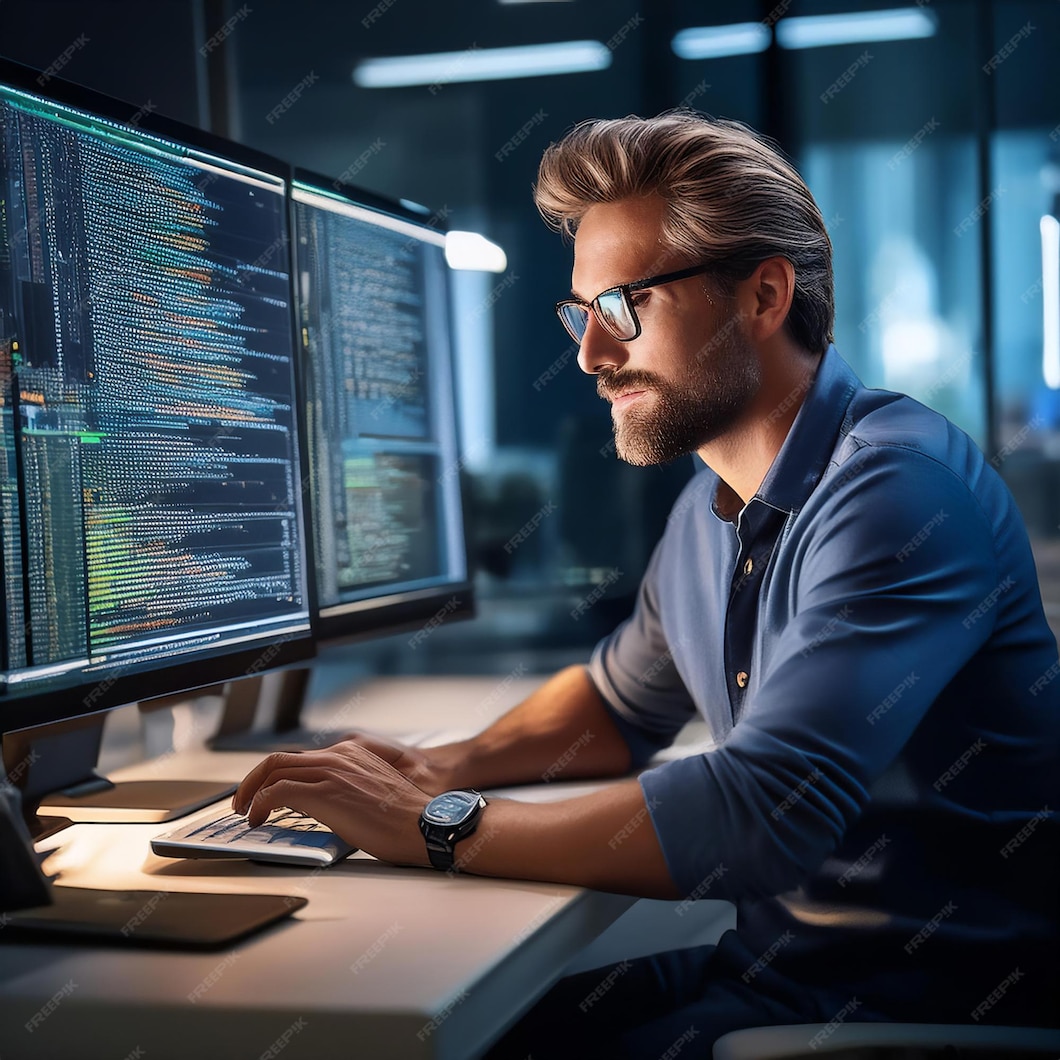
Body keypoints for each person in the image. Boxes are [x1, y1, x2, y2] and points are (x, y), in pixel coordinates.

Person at [234, 112, 1059, 1055]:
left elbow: (763, 811)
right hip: (781, 974)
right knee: (453, 1038)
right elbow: (618, 703)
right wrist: (441, 767)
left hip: (921, 1006)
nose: (590, 354)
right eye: (578, 313)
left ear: (763, 295)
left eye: (623, 306)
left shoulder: (898, 490)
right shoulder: (714, 505)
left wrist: (435, 826)